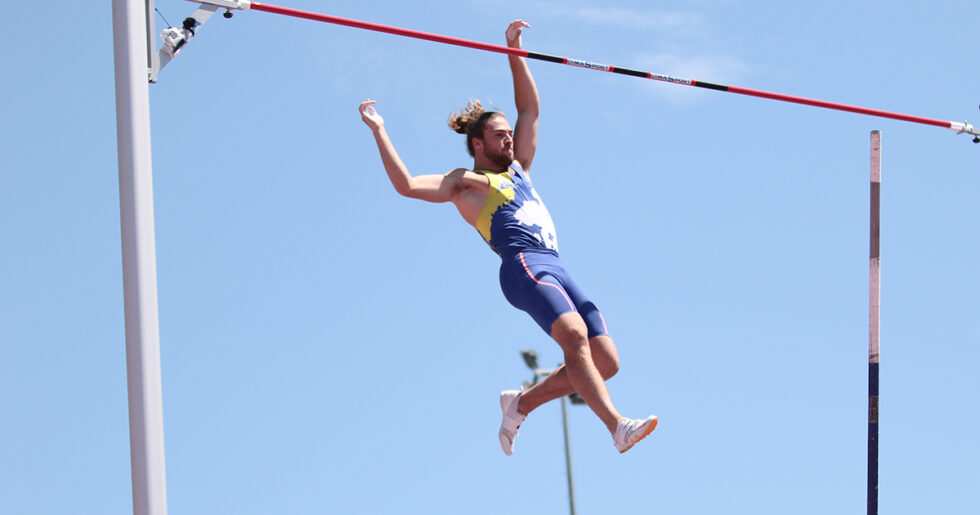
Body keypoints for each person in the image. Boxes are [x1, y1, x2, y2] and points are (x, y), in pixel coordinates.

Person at [358, 20, 656, 454]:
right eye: (500, 135)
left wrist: (514, 49)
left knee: (606, 361)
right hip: (523, 265)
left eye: (509, 133)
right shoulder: (468, 184)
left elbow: (530, 110)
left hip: (557, 265)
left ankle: (519, 404)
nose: (510, 137)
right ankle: (617, 426)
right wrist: (380, 130)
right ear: (478, 144)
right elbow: (405, 184)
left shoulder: (520, 170)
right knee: (573, 337)